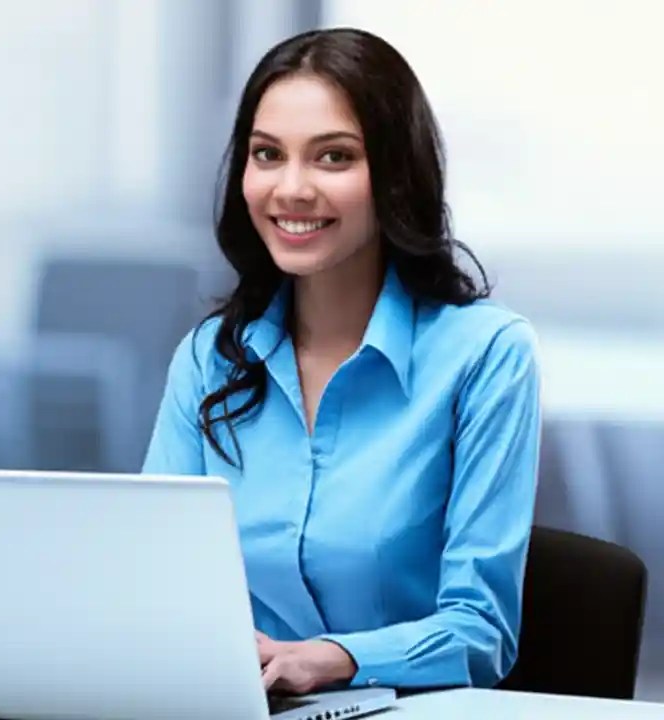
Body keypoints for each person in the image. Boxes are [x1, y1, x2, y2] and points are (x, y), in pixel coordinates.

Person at [142, 27, 542, 695]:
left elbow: (480, 630)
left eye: (333, 157)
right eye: (268, 154)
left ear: (395, 174)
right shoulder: (210, 359)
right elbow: (152, 581)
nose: (291, 188)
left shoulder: (486, 356)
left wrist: (329, 659)